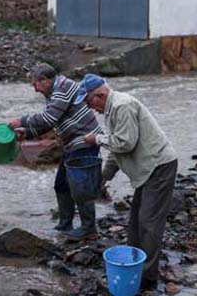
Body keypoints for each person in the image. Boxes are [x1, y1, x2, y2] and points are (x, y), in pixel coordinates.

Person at [80, 74, 177, 291]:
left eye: (89, 102)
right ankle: (133, 267)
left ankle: (147, 279)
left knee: (149, 224)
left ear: (100, 95)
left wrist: (97, 139)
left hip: (159, 166)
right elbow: (116, 151)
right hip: (146, 170)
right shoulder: (111, 111)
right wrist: (103, 178)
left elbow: (125, 143)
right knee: (135, 223)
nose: (90, 108)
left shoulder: (122, 106)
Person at [7, 63, 102, 241]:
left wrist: (22, 121)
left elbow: (49, 117)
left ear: (44, 80)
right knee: (61, 185)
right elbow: (50, 123)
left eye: (35, 84)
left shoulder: (63, 87)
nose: (35, 90)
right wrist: (27, 133)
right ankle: (65, 224)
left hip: (84, 141)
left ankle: (89, 228)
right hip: (72, 143)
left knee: (80, 188)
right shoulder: (54, 92)